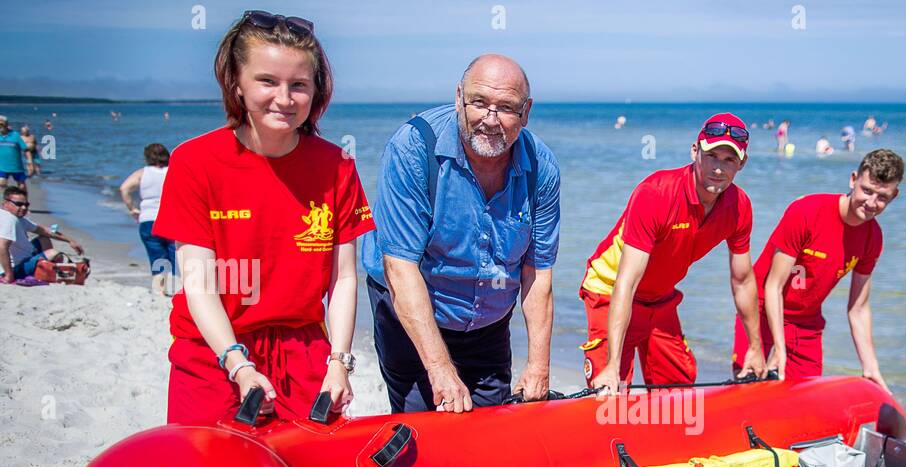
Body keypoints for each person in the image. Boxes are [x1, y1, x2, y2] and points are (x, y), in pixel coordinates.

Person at [152, 11, 372, 425]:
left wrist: (339, 362)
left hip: (303, 350)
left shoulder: (336, 165)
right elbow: (198, 282)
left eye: (299, 85)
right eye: (267, 81)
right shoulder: (194, 162)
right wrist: (238, 364)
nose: (285, 99)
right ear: (236, 82)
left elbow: (343, 278)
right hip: (214, 349)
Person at [363, 54, 560, 413]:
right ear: (458, 98)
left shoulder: (541, 168)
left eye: (506, 108)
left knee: (489, 437)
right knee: (422, 432)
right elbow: (400, 268)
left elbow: (537, 274)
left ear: (526, 112)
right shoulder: (412, 149)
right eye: (479, 103)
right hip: (412, 311)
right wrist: (439, 370)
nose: (490, 119)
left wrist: (538, 366)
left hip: (488, 319)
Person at [580, 112, 764, 392]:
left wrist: (754, 347)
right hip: (610, 288)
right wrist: (613, 365)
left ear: (742, 164)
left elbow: (743, 280)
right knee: (609, 390)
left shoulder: (740, 208)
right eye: (712, 156)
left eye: (729, 160)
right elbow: (626, 282)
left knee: (678, 389)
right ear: (695, 151)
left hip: (660, 297)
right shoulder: (656, 193)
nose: (718, 168)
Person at [730, 149, 903, 387]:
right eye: (867, 190)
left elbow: (859, 308)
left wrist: (870, 366)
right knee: (749, 390)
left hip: (806, 323)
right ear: (853, 180)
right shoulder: (808, 211)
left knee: (803, 399)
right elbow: (773, 286)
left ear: (894, 196)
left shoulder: (873, 237)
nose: (871, 203)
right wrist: (779, 349)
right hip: (761, 309)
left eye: (882, 197)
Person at [118, 143, 175, 296]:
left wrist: (132, 209)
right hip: (172, 217)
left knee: (156, 255)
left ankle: (160, 290)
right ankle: (179, 288)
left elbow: (124, 188)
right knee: (176, 254)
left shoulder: (143, 173)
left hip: (148, 218)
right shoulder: (174, 172)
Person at [0, 185, 86, 282]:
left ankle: (47, 268)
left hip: (25, 256)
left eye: (26, 204)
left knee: (44, 239)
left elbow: (44, 230)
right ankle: (50, 272)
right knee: (54, 253)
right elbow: (2, 247)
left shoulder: (16, 218)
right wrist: (8, 276)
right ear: (5, 203)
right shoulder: (9, 219)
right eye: (19, 204)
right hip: (15, 267)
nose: (24, 207)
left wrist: (70, 240)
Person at [0, 117, 27, 190]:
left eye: (1, 124)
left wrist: (30, 162)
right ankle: (7, 197)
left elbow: (25, 149)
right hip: (2, 166)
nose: (0, 126)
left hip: (16, 166)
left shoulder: (15, 135)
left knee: (22, 186)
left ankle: (24, 200)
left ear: (6, 124)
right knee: (1, 182)